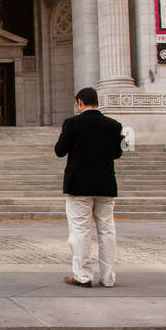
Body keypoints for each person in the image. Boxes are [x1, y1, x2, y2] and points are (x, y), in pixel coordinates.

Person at [54, 87, 124, 288]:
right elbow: (116, 154)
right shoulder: (114, 125)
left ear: (80, 103)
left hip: (79, 186)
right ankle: (108, 277)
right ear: (97, 102)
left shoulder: (72, 124)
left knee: (80, 231)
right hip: (105, 184)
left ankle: (83, 276)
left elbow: (59, 151)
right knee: (107, 230)